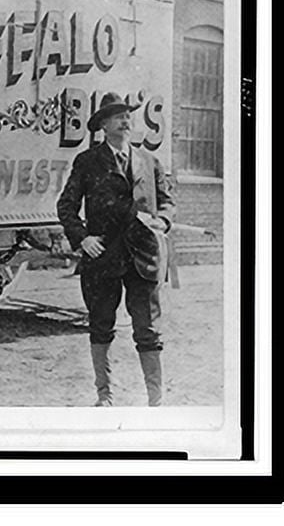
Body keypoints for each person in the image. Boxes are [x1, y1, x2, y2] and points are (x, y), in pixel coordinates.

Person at [56, 92, 175, 407]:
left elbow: (166, 201)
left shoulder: (149, 162)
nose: (126, 121)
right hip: (103, 257)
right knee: (101, 324)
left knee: (148, 330)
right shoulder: (88, 161)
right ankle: (105, 395)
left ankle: (156, 400)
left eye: (128, 116)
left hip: (144, 257)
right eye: (118, 116)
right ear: (104, 125)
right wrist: (82, 237)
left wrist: (163, 220)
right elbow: (66, 206)